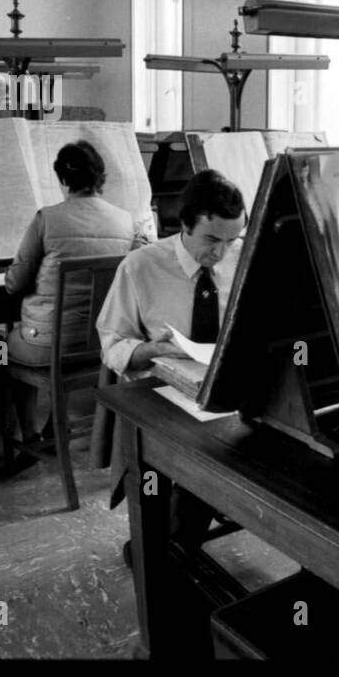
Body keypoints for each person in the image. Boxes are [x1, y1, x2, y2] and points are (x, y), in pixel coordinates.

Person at [97, 169, 246, 546]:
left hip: (223, 391)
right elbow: (112, 345)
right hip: (164, 394)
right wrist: (150, 350)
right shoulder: (140, 266)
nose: (220, 253)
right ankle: (165, 543)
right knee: (166, 474)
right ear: (183, 224)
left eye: (232, 240)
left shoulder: (242, 256)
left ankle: (180, 538)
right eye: (211, 239)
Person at [4, 140, 135, 367]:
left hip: (47, 346)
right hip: (101, 344)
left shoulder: (46, 218)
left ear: (63, 179)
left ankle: (9, 387)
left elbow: (15, 284)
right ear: (100, 178)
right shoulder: (126, 222)